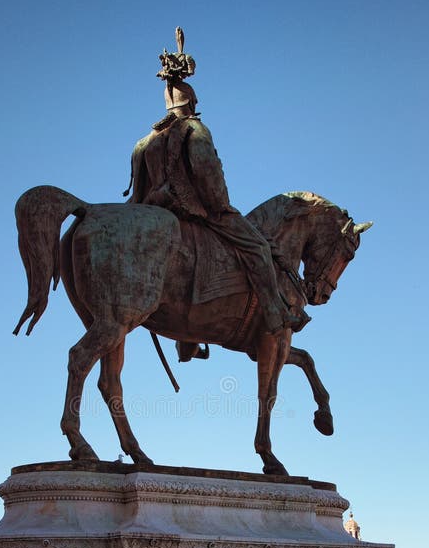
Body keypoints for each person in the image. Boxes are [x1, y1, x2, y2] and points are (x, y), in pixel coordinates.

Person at [126, 29, 303, 337]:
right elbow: (210, 177)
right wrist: (221, 206)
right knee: (259, 247)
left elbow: (137, 191)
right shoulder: (195, 130)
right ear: (192, 101)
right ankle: (276, 314)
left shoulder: (145, 142)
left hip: (157, 208)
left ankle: (187, 342)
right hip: (195, 209)